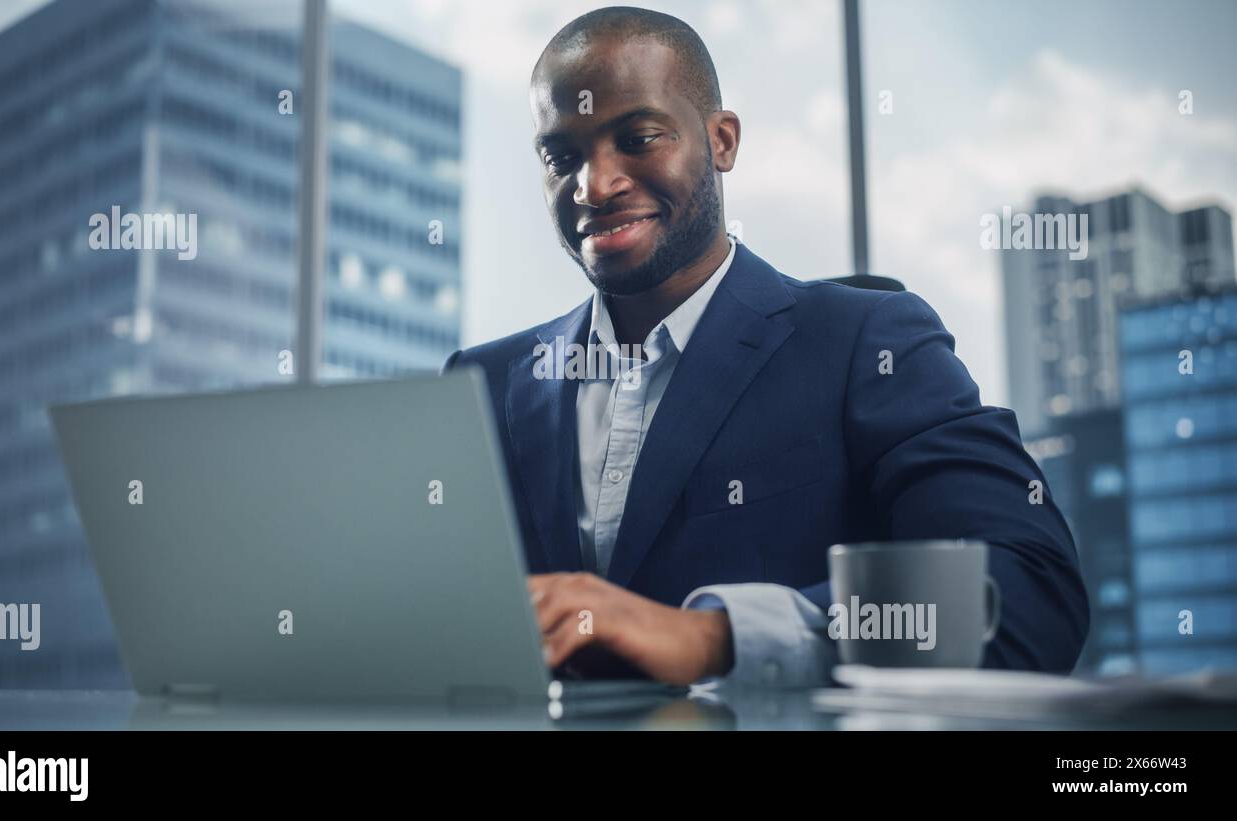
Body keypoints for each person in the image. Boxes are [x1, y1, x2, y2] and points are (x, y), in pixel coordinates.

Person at [444, 6, 1088, 686]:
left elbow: (1027, 587)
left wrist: (717, 635)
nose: (595, 185)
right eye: (562, 156)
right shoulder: (480, 385)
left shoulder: (867, 342)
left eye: (637, 138)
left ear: (721, 141)